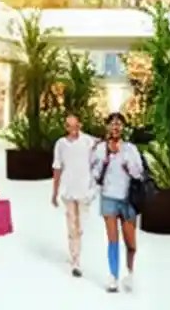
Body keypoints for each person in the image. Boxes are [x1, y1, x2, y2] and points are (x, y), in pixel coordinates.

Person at [91, 113, 144, 293]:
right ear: (107, 127)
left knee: (130, 242)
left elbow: (138, 173)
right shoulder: (99, 149)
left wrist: (126, 162)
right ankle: (113, 275)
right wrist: (106, 159)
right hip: (109, 197)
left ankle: (130, 272)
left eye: (119, 124)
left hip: (128, 198)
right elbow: (94, 173)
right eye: (112, 124)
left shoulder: (130, 149)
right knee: (112, 238)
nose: (115, 128)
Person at [51, 113, 97, 277]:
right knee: (72, 224)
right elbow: (57, 167)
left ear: (80, 125)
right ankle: (75, 258)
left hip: (84, 189)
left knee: (81, 225)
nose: (73, 128)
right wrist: (54, 192)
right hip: (68, 189)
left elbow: (100, 150)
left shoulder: (88, 141)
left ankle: (77, 250)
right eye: (69, 125)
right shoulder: (61, 144)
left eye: (75, 125)